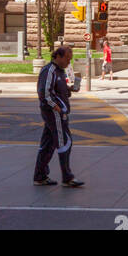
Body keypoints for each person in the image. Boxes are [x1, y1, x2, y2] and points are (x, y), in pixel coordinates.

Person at [34, 45, 84, 187]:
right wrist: (56, 108)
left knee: (48, 144)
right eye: (67, 59)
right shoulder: (49, 70)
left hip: (56, 112)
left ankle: (40, 175)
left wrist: (69, 89)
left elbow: (56, 90)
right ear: (59, 56)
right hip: (55, 113)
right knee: (65, 142)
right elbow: (44, 93)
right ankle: (67, 177)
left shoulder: (59, 71)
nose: (69, 62)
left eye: (70, 59)